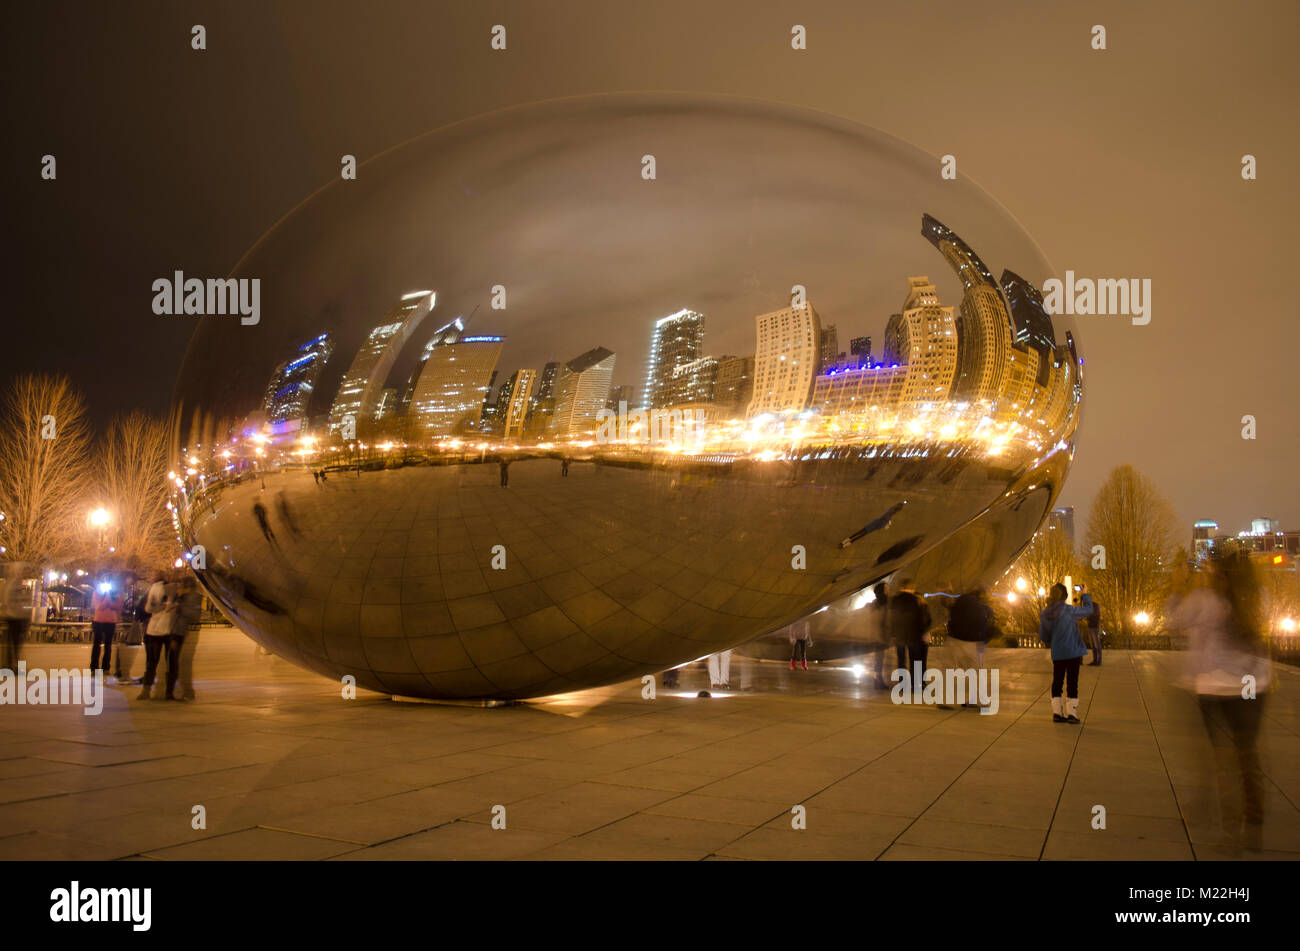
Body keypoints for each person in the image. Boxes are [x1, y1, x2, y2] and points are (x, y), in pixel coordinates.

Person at [1175, 547, 1272, 848]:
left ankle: (1231, 832)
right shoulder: (1260, 597)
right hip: (1253, 685)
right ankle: (1254, 825)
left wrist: (1180, 585)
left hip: (1216, 687)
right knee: (1247, 754)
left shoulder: (1206, 601)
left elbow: (1174, 619)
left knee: (1222, 758)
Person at [1038, 583, 1093, 723]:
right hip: (1073, 651)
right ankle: (1072, 714)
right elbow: (1088, 610)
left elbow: (1044, 636)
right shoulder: (1068, 611)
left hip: (1058, 652)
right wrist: (1085, 594)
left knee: (1057, 681)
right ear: (1065, 596)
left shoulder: (1045, 613)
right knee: (1072, 682)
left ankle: (1057, 713)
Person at [947, 585, 994, 707]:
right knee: (976, 673)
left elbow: (950, 620)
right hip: (972, 642)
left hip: (955, 640)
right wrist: (983, 639)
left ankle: (947, 700)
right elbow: (983, 624)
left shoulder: (957, 605)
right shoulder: (980, 608)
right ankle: (980, 700)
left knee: (950, 670)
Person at [139, 572, 176, 700]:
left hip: (154, 631)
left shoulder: (154, 588)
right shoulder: (176, 589)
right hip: (169, 630)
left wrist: (158, 608)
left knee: (151, 662)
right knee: (170, 662)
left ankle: (146, 690)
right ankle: (169, 693)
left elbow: (148, 608)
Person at [888, 578, 931, 681]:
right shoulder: (917, 600)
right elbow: (922, 619)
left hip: (899, 636)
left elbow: (891, 619)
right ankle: (915, 684)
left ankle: (902, 684)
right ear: (912, 588)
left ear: (901, 587)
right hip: (914, 635)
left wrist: (893, 634)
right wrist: (923, 631)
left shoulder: (894, 600)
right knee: (914, 660)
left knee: (901, 660)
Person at [172, 575, 204, 701]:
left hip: (188, 633)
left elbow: (188, 616)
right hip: (186, 632)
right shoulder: (188, 597)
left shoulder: (191, 598)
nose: (179, 587)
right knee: (184, 662)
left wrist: (178, 606)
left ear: (186, 586)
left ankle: (187, 691)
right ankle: (186, 690)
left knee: (184, 662)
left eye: (180, 585)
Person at [2, 562, 30, 672]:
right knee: (14, 645)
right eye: (23, 570)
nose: (26, 572)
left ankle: (10, 665)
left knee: (12, 645)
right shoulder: (15, 584)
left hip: (14, 618)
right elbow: (13, 602)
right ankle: (12, 666)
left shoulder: (11, 583)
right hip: (15, 618)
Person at [89, 575, 119, 677]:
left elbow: (118, 606)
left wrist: (109, 601)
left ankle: (106, 667)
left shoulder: (115, 593)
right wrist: (107, 598)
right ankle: (94, 668)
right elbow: (99, 607)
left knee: (108, 645)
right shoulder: (97, 592)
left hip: (111, 621)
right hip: (99, 621)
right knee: (96, 645)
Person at [864, 583, 891, 689]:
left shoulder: (874, 604)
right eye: (887, 588)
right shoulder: (884, 603)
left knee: (878, 660)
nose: (889, 590)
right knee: (880, 660)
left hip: (876, 635)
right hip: (881, 635)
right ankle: (879, 681)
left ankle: (878, 680)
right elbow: (884, 620)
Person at [1085, 600, 1103, 666]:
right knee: (1093, 645)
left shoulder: (1095, 606)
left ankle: (1098, 661)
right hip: (1090, 626)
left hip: (1094, 627)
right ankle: (1095, 660)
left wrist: (1088, 616)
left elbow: (1095, 616)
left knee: (1096, 644)